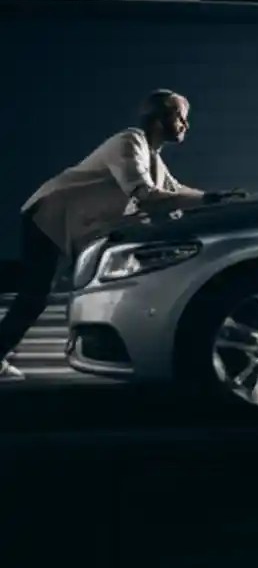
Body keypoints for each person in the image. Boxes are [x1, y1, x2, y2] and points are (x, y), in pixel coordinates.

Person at [0, 89, 245, 380]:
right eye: (181, 118)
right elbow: (146, 195)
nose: (185, 126)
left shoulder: (152, 157)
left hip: (69, 224)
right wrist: (208, 200)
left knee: (33, 288)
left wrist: (214, 198)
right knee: (34, 295)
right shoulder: (129, 142)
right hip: (51, 215)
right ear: (159, 119)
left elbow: (174, 190)